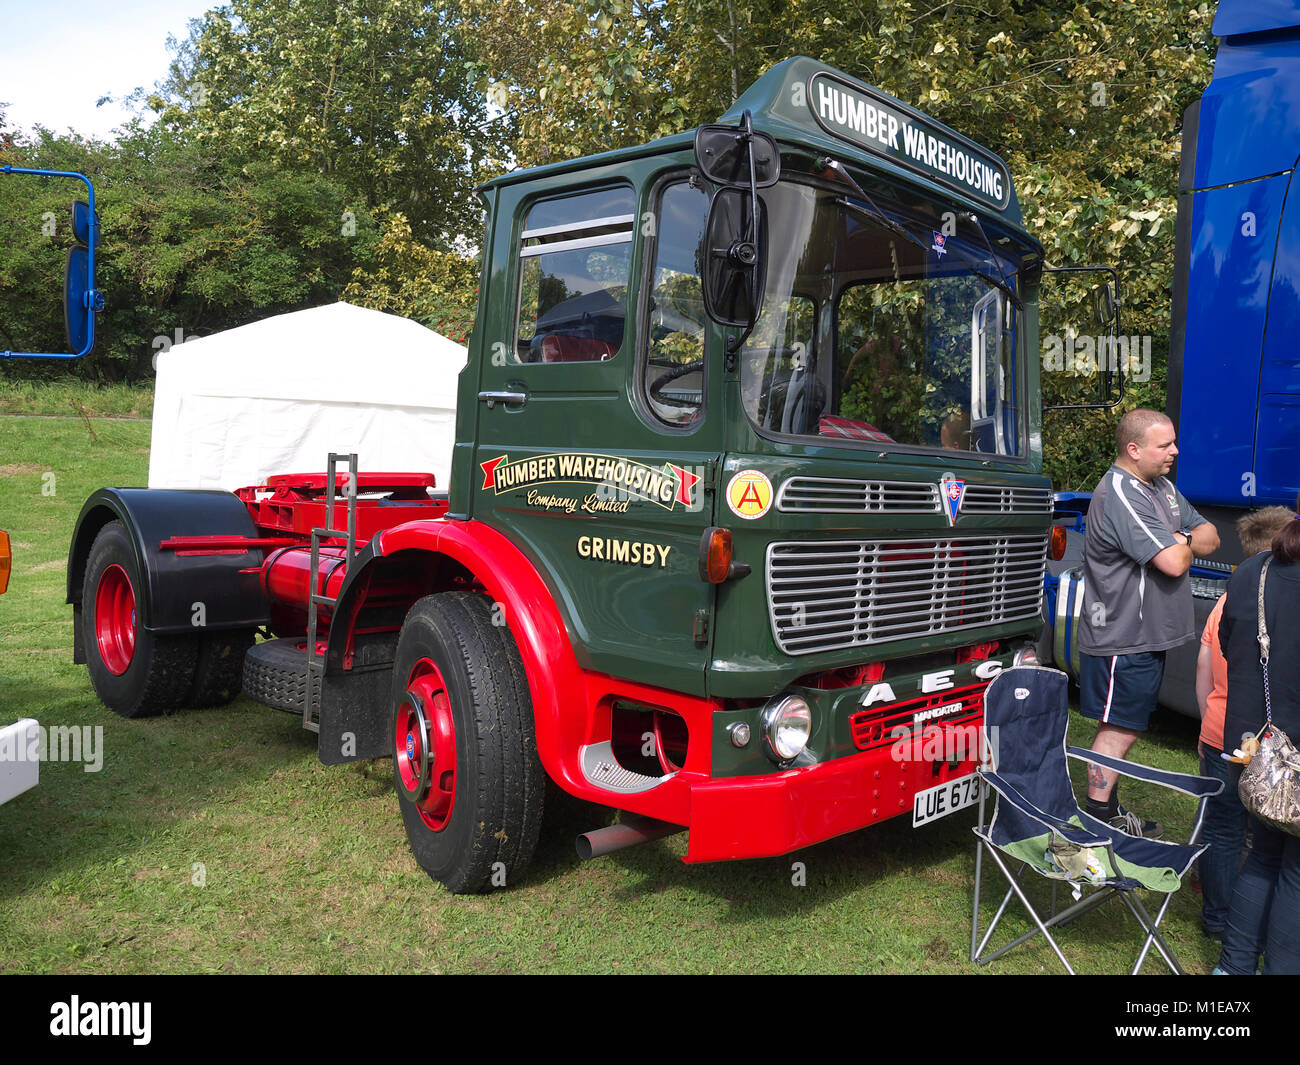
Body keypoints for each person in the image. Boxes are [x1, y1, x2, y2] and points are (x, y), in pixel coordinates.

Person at [1077, 409, 1220, 837]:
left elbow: (1212, 536)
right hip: (1123, 635)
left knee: (1126, 725)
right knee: (1118, 729)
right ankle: (1095, 821)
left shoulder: (1163, 488)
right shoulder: (1121, 492)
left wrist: (1184, 539)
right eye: (1165, 445)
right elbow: (1175, 563)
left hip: (1145, 634)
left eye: (1174, 442)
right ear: (1134, 449)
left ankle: (1108, 810)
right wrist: (1183, 543)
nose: (1175, 451)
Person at [1195, 506, 1295, 937]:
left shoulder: (1231, 596)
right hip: (1269, 740)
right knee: (1264, 842)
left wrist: (1206, 726)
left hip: (1226, 730)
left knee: (1223, 828)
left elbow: (1205, 667)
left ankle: (1218, 918)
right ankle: (1249, 927)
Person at [1215, 495, 1300, 975]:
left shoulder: (1253, 571)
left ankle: (1233, 967)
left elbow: (1231, 647)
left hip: (1259, 751)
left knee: (1264, 854)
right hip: (1284, 754)